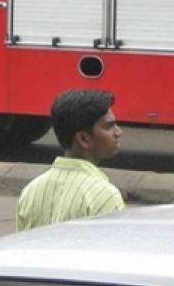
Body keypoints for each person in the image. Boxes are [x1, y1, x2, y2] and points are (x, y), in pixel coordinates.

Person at [15, 89, 125, 232]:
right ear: (84, 139)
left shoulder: (30, 192)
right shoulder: (104, 196)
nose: (118, 132)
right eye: (109, 126)